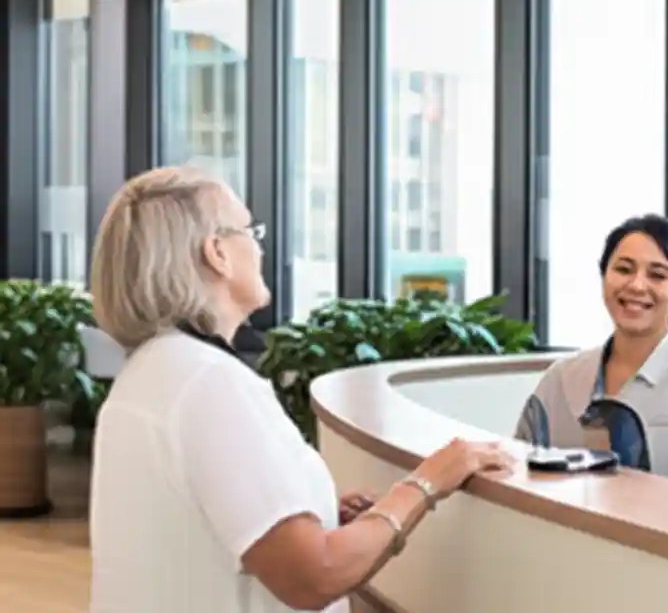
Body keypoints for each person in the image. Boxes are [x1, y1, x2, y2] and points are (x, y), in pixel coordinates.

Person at [88, 166, 513, 613]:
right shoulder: (209, 384)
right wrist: (428, 481)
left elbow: (202, 528)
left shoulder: (152, 372)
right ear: (217, 253)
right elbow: (314, 577)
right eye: (249, 231)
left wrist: (319, 513)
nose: (259, 247)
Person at [515, 214, 668, 481]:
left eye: (657, 275)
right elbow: (520, 468)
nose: (637, 286)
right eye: (624, 270)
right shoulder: (561, 377)